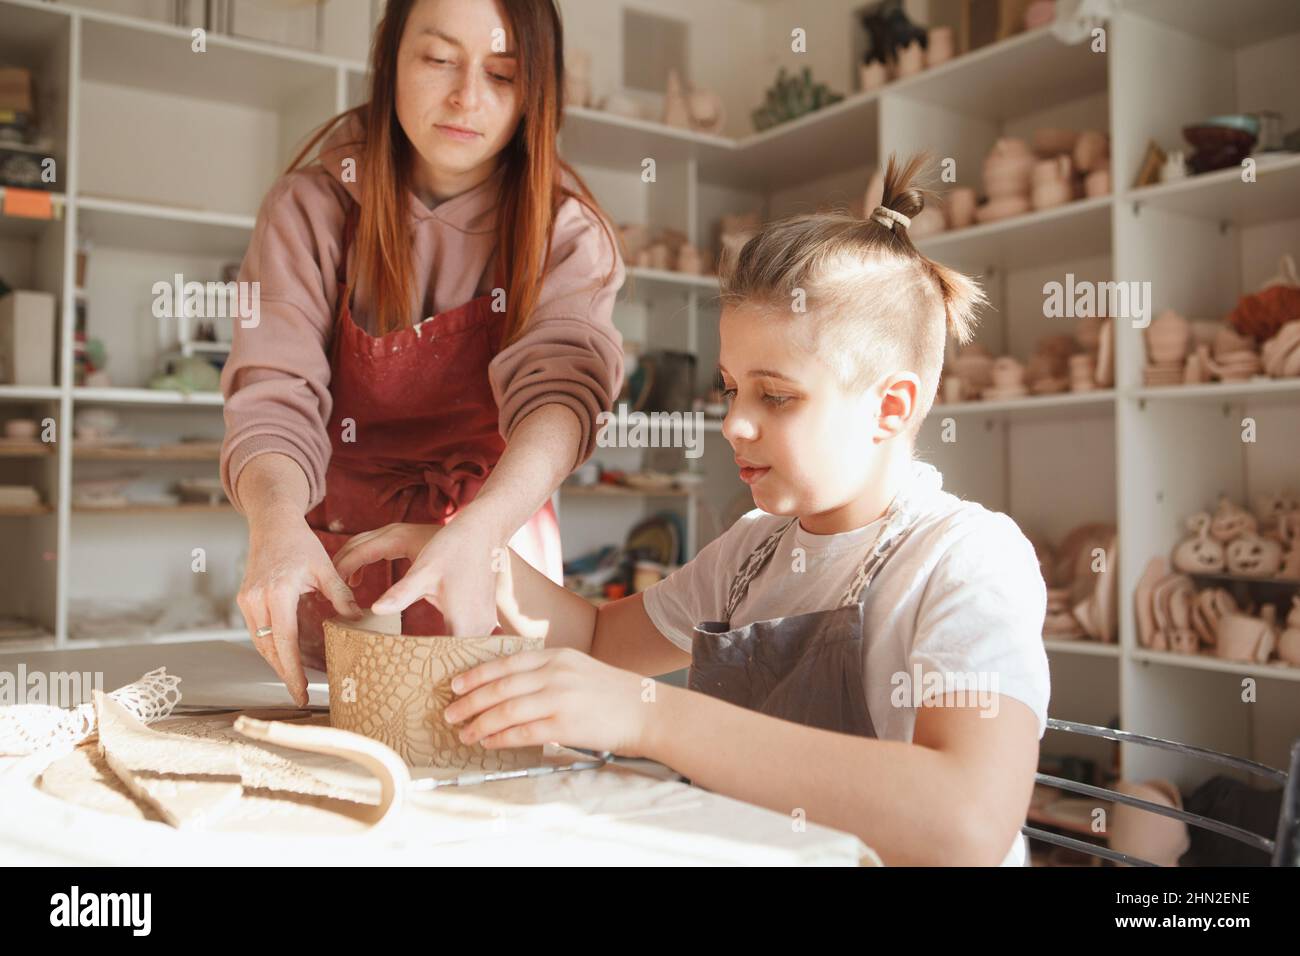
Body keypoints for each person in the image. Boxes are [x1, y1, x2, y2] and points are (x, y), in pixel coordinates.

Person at [334, 155, 1051, 866]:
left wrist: (651, 715)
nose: (734, 424)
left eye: (775, 396)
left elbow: (967, 822)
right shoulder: (753, 552)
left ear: (890, 407)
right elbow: (593, 640)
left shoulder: (967, 559)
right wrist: (475, 550)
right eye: (730, 388)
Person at [219, 0, 624, 707]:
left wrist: (483, 530)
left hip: (490, 543)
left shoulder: (566, 232)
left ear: (538, 93)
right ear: (389, 56)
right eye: (439, 60)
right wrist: (276, 521)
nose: (467, 97)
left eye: (503, 74)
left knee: (495, 768)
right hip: (340, 555)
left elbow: (561, 394)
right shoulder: (309, 211)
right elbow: (273, 392)